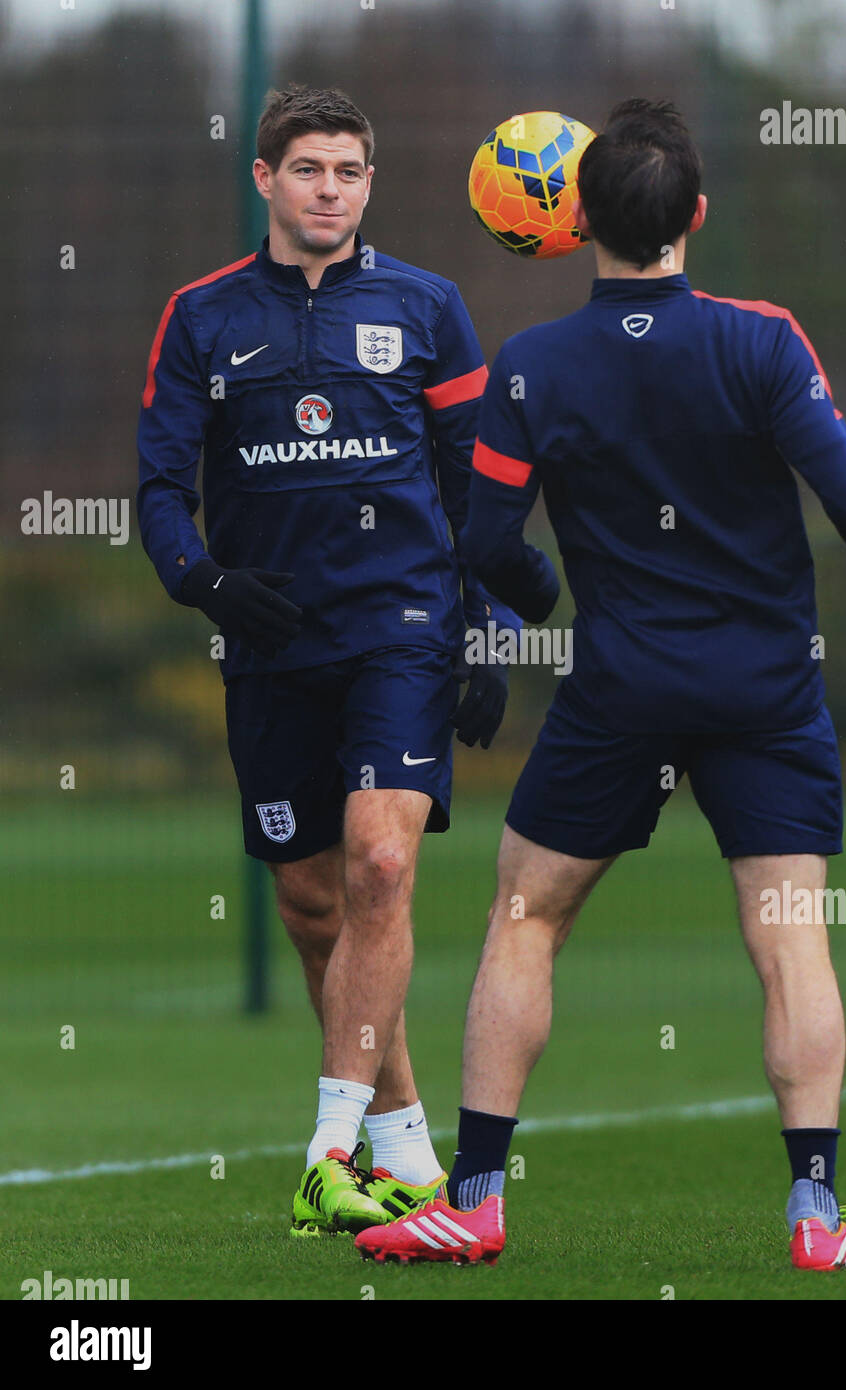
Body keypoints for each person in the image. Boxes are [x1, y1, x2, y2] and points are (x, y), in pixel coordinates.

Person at [356, 98, 846, 1270]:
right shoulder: (763, 338)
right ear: (698, 216)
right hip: (768, 691)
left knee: (523, 922)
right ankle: (817, 1214)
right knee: (791, 942)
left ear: (574, 222)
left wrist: (542, 593)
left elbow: (483, 538)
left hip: (620, 688)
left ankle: (475, 1198)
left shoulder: (531, 367)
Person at [137, 84, 518, 1237]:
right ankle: (402, 1150)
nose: (330, 190)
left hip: (400, 626)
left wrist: (485, 622)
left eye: (349, 171)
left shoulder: (428, 306)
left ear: (369, 183)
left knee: (381, 865)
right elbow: (159, 486)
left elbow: (477, 482)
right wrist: (204, 584)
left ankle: (324, 1149)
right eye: (309, 169)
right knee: (314, 905)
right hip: (270, 643)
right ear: (264, 178)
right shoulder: (200, 316)